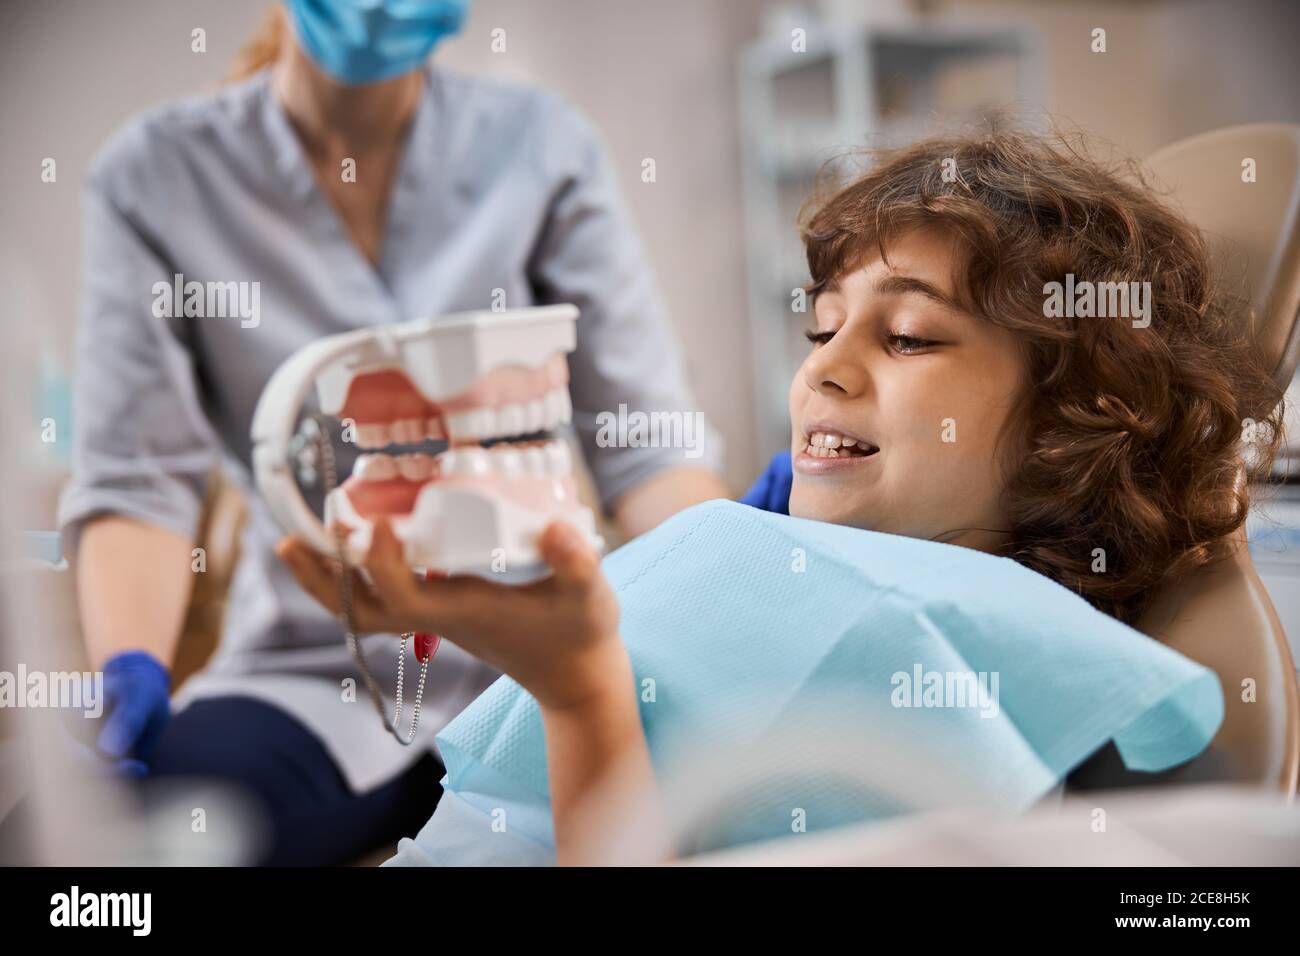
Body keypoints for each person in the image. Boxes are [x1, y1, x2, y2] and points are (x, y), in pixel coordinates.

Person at [280, 129, 1285, 864]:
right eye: (821, 332)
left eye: (907, 337)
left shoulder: (918, 644)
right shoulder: (798, 559)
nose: (819, 376)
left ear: (1077, 416)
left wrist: (579, 685)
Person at [59, 0, 728, 865]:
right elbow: (137, 477)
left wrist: (730, 556)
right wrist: (130, 669)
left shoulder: (541, 147)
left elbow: (649, 451)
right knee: (101, 857)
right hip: (307, 679)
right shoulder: (156, 175)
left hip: (542, 657)